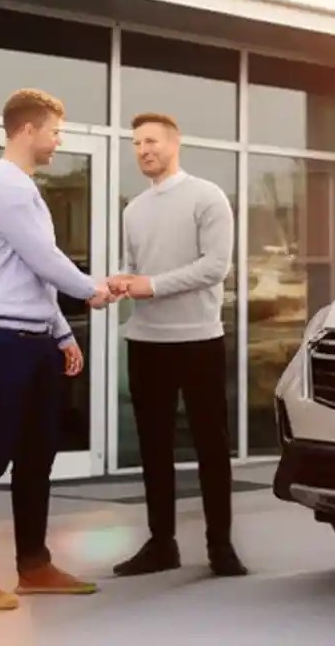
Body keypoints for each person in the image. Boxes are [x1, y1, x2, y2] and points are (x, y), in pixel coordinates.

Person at [0, 88, 116, 610]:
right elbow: (44, 258)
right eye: (55, 132)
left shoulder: (24, 188)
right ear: (28, 129)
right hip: (0, 339)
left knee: (36, 458)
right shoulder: (4, 186)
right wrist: (91, 290)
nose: (58, 141)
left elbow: (33, 271)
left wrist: (62, 333)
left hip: (35, 339)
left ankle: (34, 566)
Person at [108, 112, 247, 578]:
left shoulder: (207, 197)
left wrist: (150, 286)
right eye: (136, 143)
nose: (143, 150)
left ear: (174, 143)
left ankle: (220, 546)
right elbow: (135, 268)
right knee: (153, 448)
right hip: (145, 342)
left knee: (211, 447)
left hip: (199, 341)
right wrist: (119, 285)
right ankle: (161, 545)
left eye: (151, 141)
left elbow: (215, 266)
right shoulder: (133, 209)